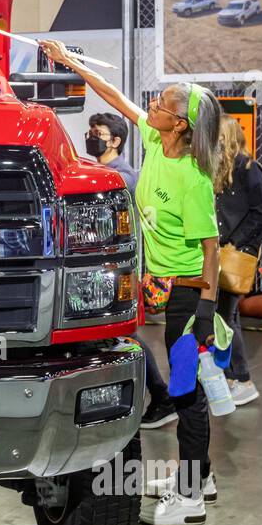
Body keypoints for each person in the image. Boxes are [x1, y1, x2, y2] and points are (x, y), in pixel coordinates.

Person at [42, 39, 223, 525]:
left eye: (165, 104)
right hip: (163, 285)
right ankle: (200, 476)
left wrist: (205, 311)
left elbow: (211, 250)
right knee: (183, 385)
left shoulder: (194, 178)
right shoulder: (152, 137)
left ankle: (189, 500)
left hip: (188, 292)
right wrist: (68, 62)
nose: (154, 105)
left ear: (180, 124)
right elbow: (114, 96)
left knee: (185, 391)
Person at [85, 112, 177, 429]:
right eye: (90, 131)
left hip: (119, 271)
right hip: (106, 271)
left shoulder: (121, 177)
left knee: (127, 335)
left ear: (116, 141)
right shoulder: (103, 172)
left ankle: (159, 397)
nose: (91, 136)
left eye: (97, 132)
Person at [214, 117, 262, 406]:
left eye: (218, 135)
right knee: (224, 317)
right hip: (220, 252)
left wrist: (236, 243)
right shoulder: (219, 170)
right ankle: (229, 376)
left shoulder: (249, 169)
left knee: (225, 317)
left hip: (235, 254)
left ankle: (244, 379)